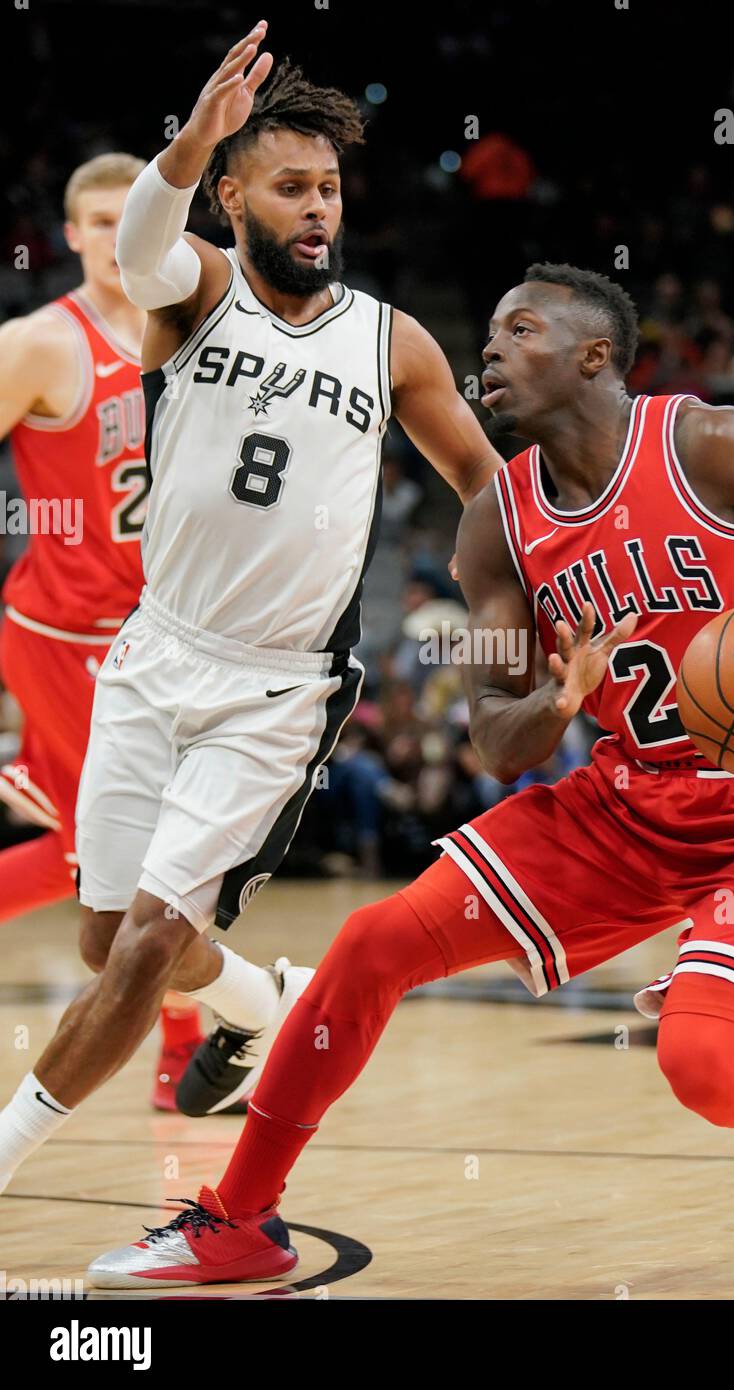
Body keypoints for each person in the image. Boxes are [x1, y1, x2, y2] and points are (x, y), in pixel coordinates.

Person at [88, 263, 734, 1291]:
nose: (488, 348)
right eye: (486, 332)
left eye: (519, 329)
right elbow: (496, 738)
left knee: (703, 1062)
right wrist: (558, 700)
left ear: (594, 356)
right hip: (622, 803)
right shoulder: (498, 524)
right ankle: (241, 1216)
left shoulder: (712, 444)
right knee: (371, 940)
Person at [0, 21, 501, 1191]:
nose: (318, 206)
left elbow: (482, 481)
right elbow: (139, 245)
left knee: (141, 950)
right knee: (101, 933)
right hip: (150, 651)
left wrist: (519, 605)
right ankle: (261, 1000)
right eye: (290, 185)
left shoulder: (393, 342)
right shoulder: (196, 292)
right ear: (234, 198)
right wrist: (184, 147)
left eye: (329, 187)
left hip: (275, 687)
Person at [0, 152, 211, 1111]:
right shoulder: (42, 343)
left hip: (160, 630)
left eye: (125, 216)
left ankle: (181, 1049)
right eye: (89, 219)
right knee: (145, 849)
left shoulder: (202, 327)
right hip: (66, 633)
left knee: (79, 857)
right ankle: (181, 1058)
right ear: (71, 234)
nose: (106, 234)